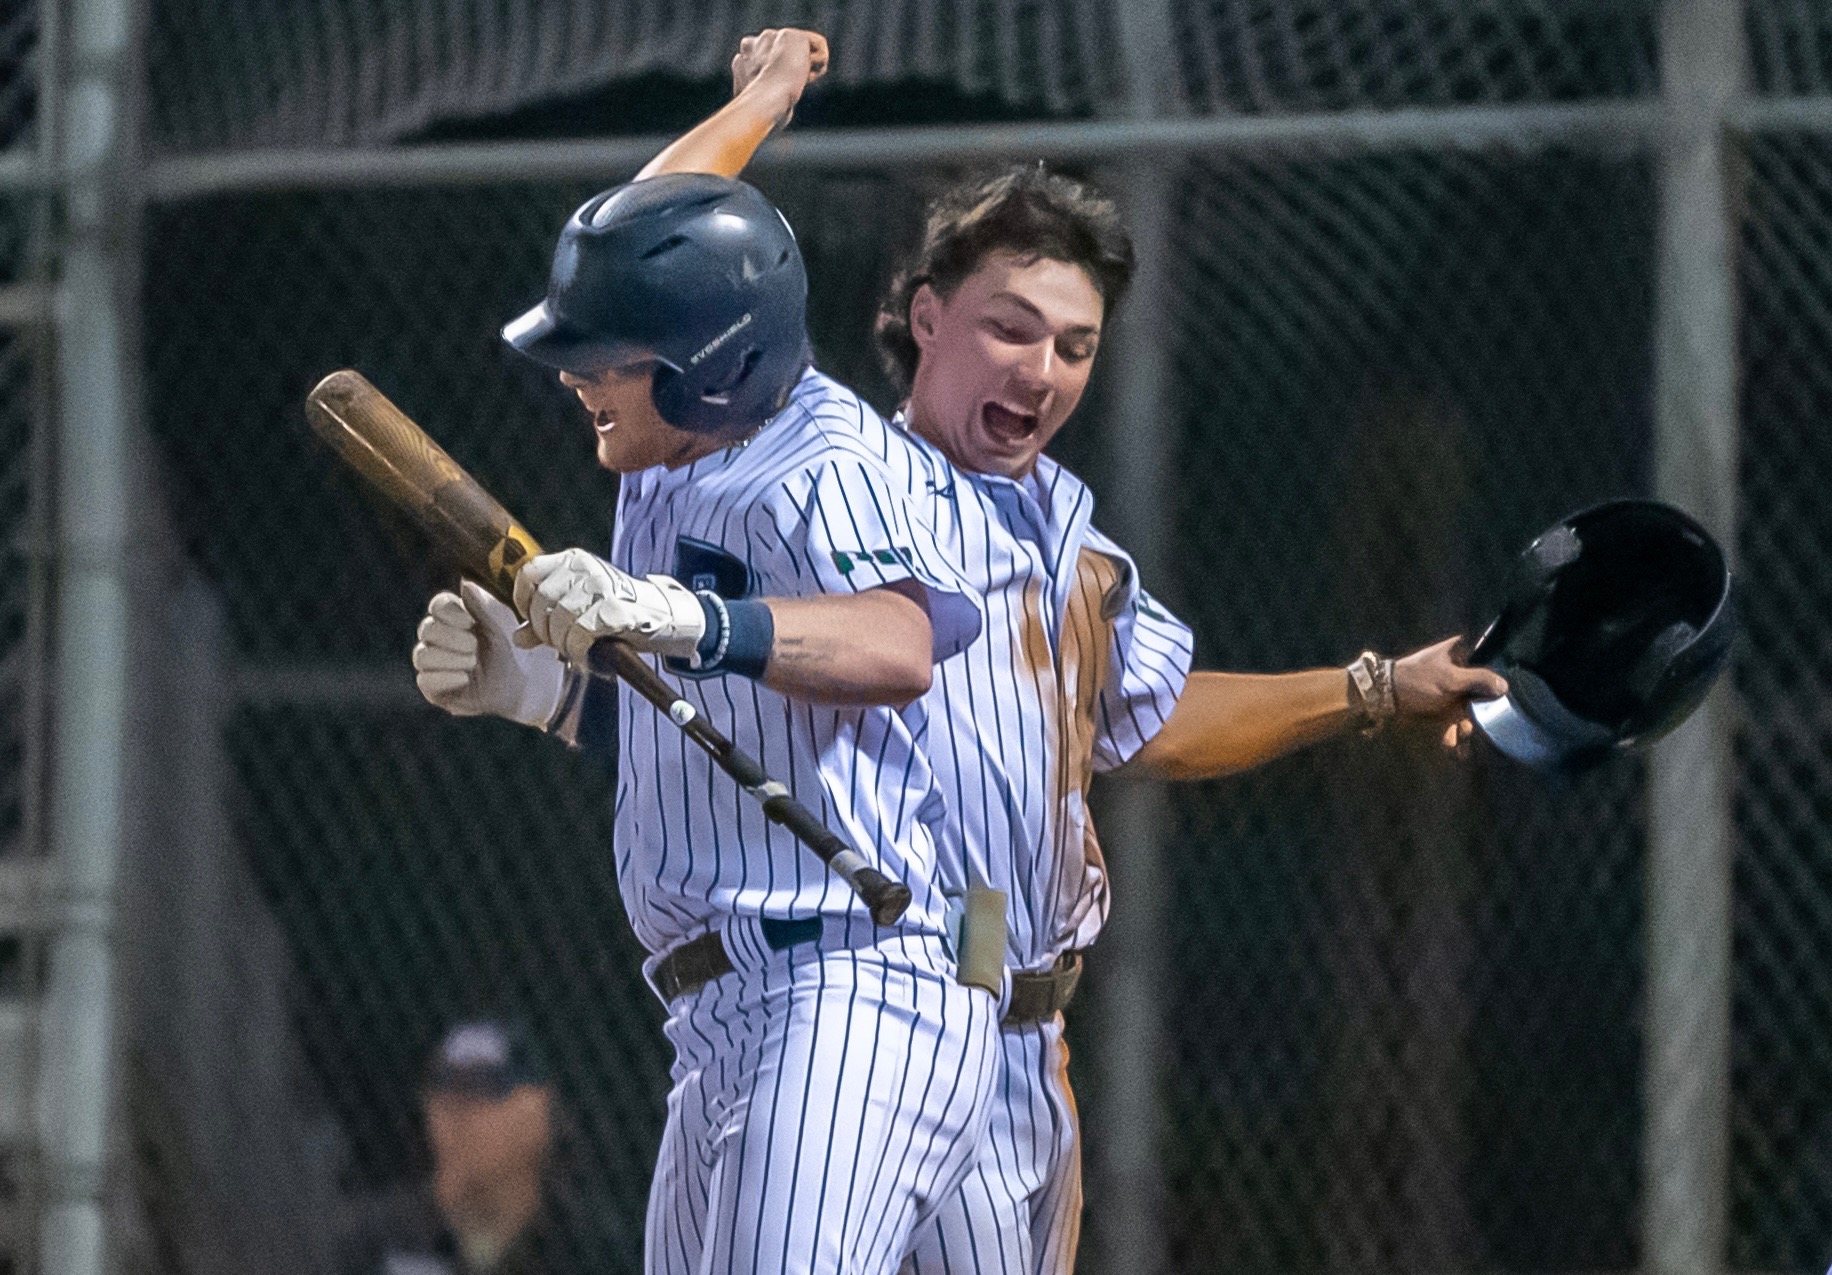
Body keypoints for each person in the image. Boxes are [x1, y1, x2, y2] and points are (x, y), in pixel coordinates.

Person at [634, 29, 1511, 1275]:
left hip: (1011, 1033)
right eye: (1008, 328)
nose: (1040, 370)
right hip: (861, 1002)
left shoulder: (1066, 537)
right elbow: (649, 259)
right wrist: (759, 109)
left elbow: (1147, 715)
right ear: (922, 317)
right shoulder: (835, 468)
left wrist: (1372, 689)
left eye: (1073, 345)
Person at [409, 167, 1006, 1273]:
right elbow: (705, 727)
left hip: (847, 988)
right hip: (728, 1018)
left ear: (712, 365)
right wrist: (536, 689)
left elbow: (896, 645)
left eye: (609, 358)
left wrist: (676, 612)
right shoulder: (667, 457)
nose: (578, 377)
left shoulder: (819, 463)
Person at [335, 1020, 629, 1275]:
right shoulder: (382, 1236)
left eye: (483, 1086)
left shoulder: (587, 1245)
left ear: (536, 1113)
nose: (456, 1108)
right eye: (445, 1083)